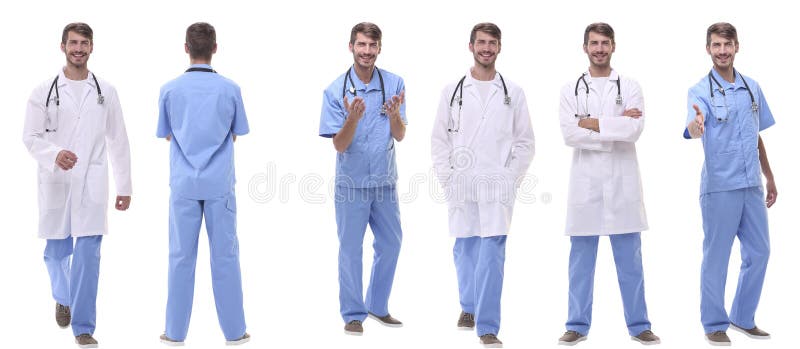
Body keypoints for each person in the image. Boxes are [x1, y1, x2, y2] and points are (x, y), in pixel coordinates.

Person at [22, 22, 132, 348]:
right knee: (56, 255)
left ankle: (83, 328)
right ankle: (63, 296)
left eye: (84, 43)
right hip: (56, 180)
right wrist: (54, 155)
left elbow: (119, 140)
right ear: (63, 47)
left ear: (92, 47)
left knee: (88, 259)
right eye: (73, 43)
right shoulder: (43, 91)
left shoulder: (106, 92)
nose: (78, 49)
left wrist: (124, 186)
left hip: (93, 183)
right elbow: (29, 137)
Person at [431, 22, 534, 348]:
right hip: (462, 183)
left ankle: (487, 326)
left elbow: (525, 143)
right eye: (481, 42)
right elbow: (438, 140)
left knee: (492, 256)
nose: (486, 48)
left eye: (492, 43)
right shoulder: (452, 90)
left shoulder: (513, 93)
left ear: (500, 47)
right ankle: (468, 306)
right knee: (465, 251)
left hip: (496, 187)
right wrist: (448, 179)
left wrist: (509, 178)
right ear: (471, 46)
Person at [556, 22, 659, 346]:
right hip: (586, 188)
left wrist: (592, 124)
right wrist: (613, 127)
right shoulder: (570, 88)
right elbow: (569, 134)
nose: (599, 48)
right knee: (580, 266)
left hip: (622, 187)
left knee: (631, 263)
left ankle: (639, 325)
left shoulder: (629, 86)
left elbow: (634, 130)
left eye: (605, 43)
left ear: (613, 46)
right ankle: (577, 324)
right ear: (584, 47)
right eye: (593, 43)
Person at [156, 22, 250, 346]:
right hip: (218, 185)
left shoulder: (169, 89)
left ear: (186, 48)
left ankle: (175, 333)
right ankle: (236, 332)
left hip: (183, 185)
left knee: (180, 257)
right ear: (215, 48)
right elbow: (236, 133)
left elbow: (167, 134)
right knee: (225, 256)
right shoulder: (230, 89)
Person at [684, 22, 776, 346]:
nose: (722, 51)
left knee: (760, 252)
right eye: (716, 45)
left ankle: (742, 316)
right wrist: (698, 124)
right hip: (720, 186)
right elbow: (695, 129)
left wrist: (770, 177)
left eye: (727, 44)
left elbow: (756, 135)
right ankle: (714, 323)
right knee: (717, 255)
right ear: (708, 49)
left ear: (737, 46)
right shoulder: (699, 91)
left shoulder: (752, 88)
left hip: (751, 185)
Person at [318, 22, 407, 336]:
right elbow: (339, 145)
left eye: (372, 45)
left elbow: (399, 134)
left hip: (384, 181)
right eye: (361, 45)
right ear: (351, 47)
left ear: (379, 48)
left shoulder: (394, 83)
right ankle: (354, 314)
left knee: (392, 243)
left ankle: (378, 305)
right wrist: (353, 118)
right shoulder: (335, 90)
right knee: (351, 248)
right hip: (351, 184)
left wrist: (394, 114)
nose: (367, 51)